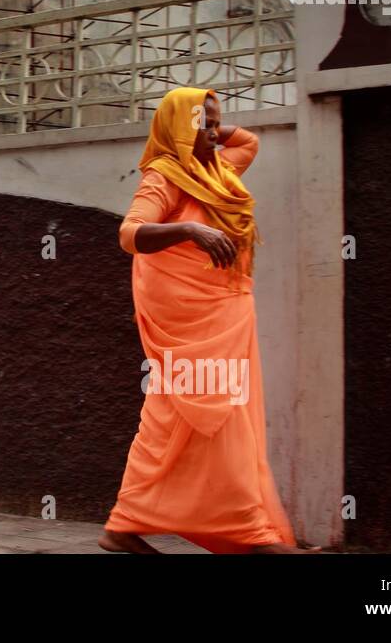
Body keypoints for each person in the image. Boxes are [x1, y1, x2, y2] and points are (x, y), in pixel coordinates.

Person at [99, 87, 314, 554]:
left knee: (179, 414)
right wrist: (190, 229)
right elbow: (130, 233)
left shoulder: (215, 168)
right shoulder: (166, 175)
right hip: (185, 315)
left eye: (217, 125)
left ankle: (124, 525)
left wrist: (208, 123)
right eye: (205, 125)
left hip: (224, 309)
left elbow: (248, 141)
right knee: (215, 411)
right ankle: (253, 536)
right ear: (180, 129)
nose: (216, 134)